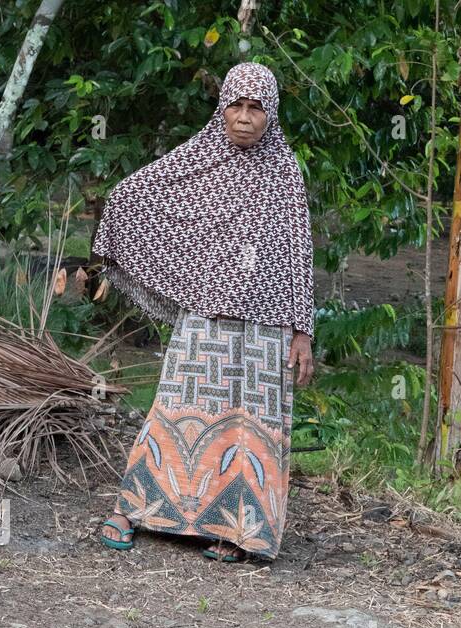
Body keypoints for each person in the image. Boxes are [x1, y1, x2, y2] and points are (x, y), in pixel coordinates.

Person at [92, 62, 314, 563]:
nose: (243, 117)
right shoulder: (198, 158)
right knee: (175, 404)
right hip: (205, 317)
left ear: (270, 114)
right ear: (222, 108)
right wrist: (117, 231)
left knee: (248, 422)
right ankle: (135, 508)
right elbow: (137, 197)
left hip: (265, 324)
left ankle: (236, 526)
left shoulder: (284, 171)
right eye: (235, 104)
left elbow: (299, 253)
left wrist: (303, 331)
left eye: (256, 108)